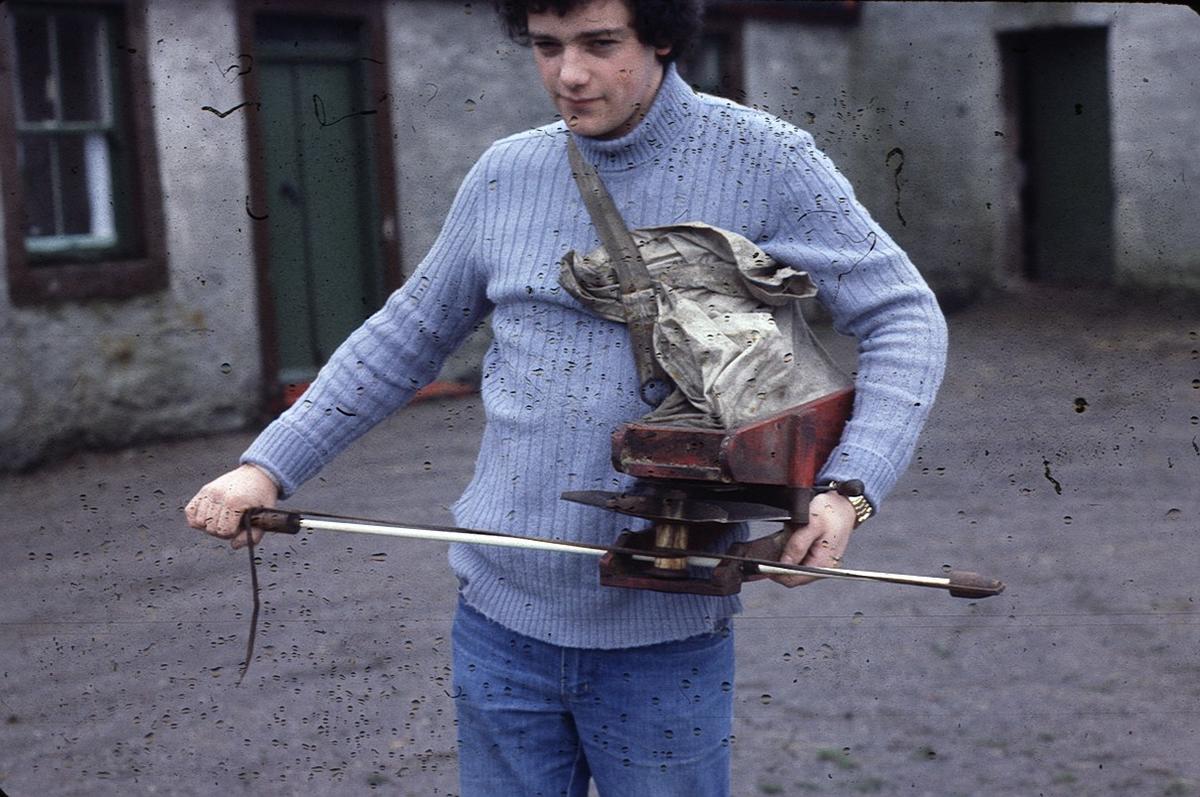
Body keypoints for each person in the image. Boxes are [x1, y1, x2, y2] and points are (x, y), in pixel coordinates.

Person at [185, 0, 948, 794]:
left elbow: (904, 316)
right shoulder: (505, 173)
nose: (569, 74)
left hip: (664, 636)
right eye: (547, 47)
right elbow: (402, 335)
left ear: (661, 36)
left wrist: (847, 491)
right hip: (498, 622)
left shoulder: (768, 158)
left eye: (599, 44)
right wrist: (266, 468)